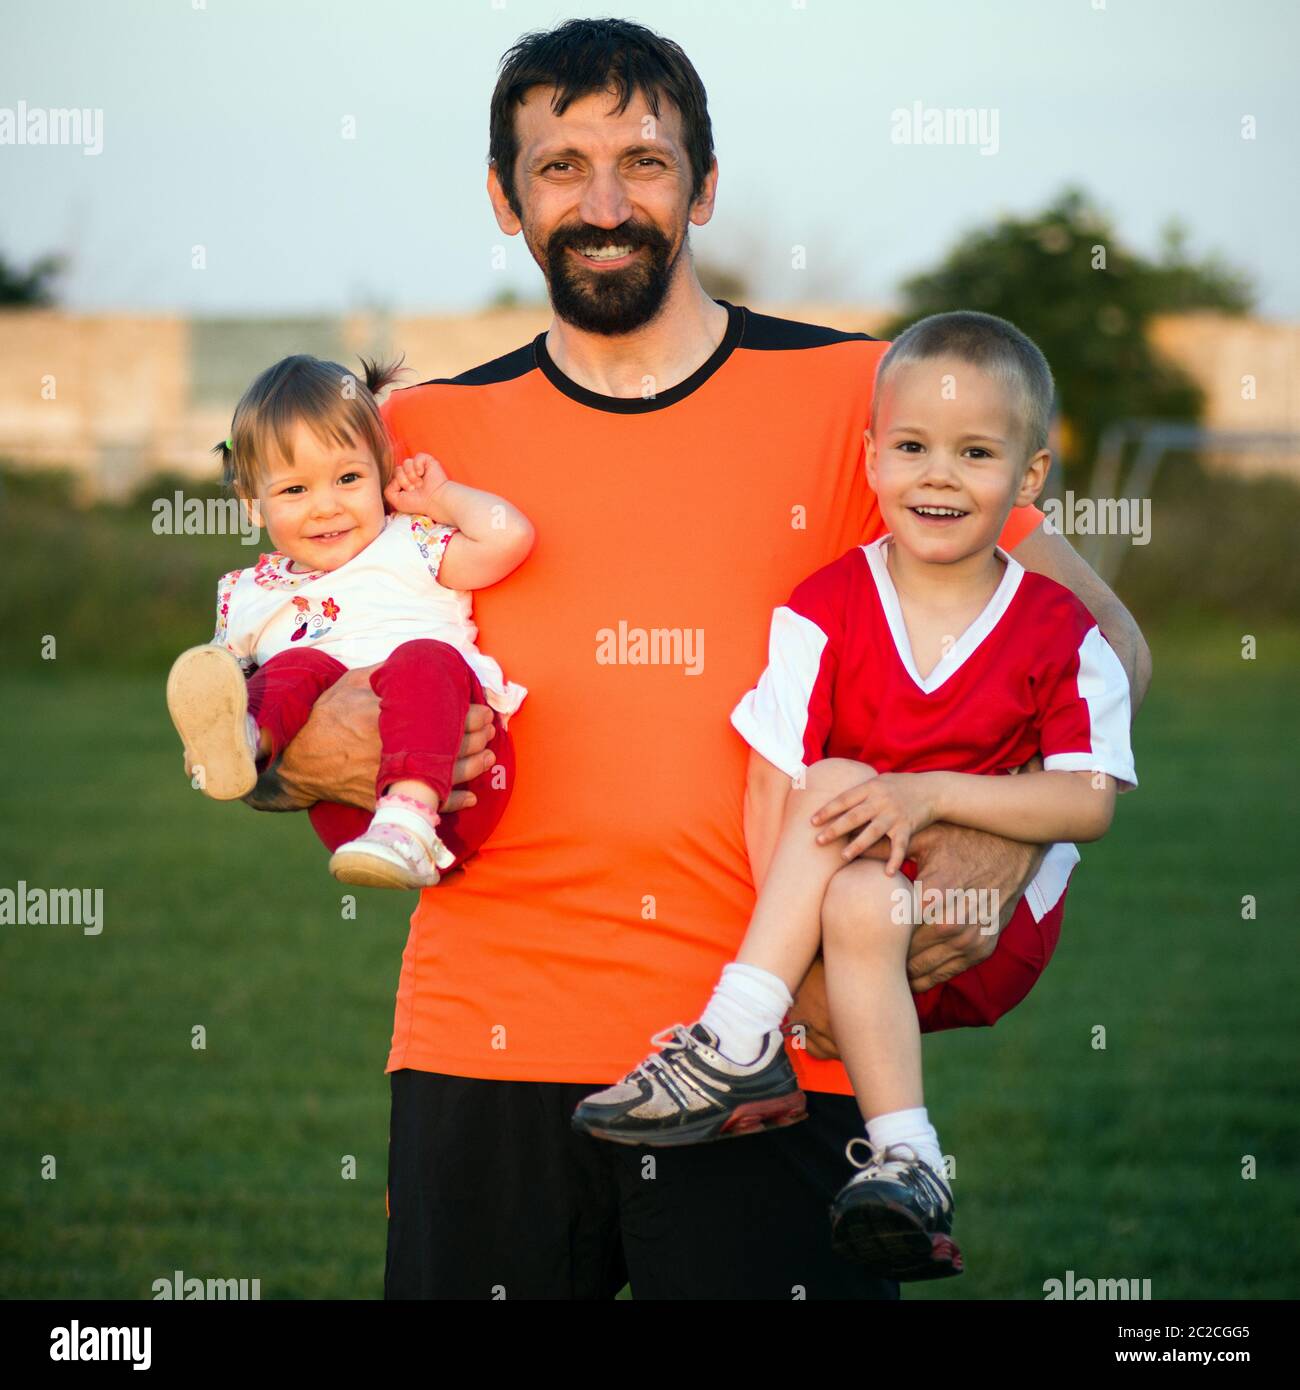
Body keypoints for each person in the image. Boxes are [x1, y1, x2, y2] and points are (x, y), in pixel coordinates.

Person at [248, 19, 1151, 1299]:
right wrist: (288, 761)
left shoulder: (865, 403)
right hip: (482, 1043)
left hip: (776, 1048)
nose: (604, 203)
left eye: (645, 162)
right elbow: (258, 681)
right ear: (505, 202)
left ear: (705, 187)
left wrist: (1000, 837)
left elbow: (1104, 645)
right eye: (559, 167)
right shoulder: (413, 442)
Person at [572, 310, 1138, 1283]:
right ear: (871, 458)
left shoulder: (1054, 625)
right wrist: (799, 972)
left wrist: (924, 796)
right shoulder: (825, 603)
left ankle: (731, 1033)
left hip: (984, 934)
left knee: (845, 786)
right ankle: (908, 1160)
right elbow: (767, 784)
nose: (938, 476)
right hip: (851, 936)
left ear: (1028, 479)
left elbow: (1086, 802)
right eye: (912, 447)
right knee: (834, 808)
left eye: (975, 452)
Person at [166, 353, 532, 889]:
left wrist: (439, 498)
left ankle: (409, 820)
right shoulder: (248, 595)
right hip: (343, 807)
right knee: (296, 664)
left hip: (459, 787)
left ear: (381, 470)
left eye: (348, 478)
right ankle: (245, 744)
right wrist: (219, 724)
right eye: (295, 490)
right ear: (251, 502)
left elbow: (509, 539)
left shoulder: (409, 542)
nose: (326, 507)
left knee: (422, 658)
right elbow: (229, 684)